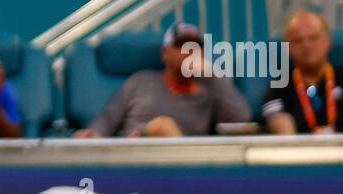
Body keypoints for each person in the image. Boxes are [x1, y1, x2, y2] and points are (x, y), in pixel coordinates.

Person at [73, 23, 251, 138]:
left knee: (164, 126)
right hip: (133, 153)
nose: (191, 52)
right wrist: (93, 134)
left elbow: (242, 119)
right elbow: (107, 119)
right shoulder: (140, 81)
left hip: (181, 163)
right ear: (165, 54)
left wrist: (212, 75)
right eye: (182, 46)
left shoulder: (209, 91)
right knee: (162, 125)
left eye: (196, 47)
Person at [261, 11, 343, 134]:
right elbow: (281, 126)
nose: (306, 45)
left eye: (313, 38)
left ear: (328, 41)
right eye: (297, 41)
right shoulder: (278, 86)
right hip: (300, 151)